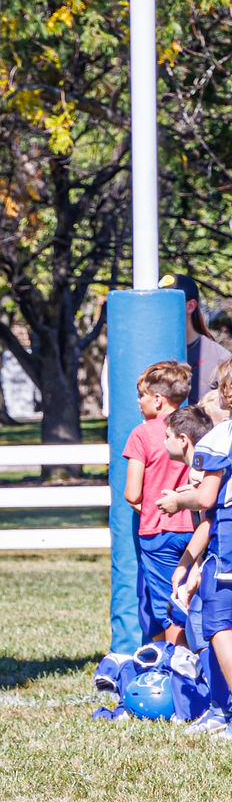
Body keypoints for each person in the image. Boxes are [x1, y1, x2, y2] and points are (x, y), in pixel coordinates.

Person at [158, 403, 232, 734]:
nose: (163, 442)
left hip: (218, 560)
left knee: (210, 630)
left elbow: (208, 519)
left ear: (184, 440)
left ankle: (221, 709)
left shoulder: (207, 466)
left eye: (167, 436)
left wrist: (190, 564)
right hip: (211, 560)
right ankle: (218, 707)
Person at [123, 361, 195, 644]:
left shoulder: (142, 434)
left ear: (157, 399)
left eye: (141, 395)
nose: (139, 402)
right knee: (194, 600)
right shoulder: (198, 425)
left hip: (158, 534)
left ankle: (177, 674)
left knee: (169, 607)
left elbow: (132, 493)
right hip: (196, 531)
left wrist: (145, 503)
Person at [161, 273, 232, 405]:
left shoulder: (221, 359)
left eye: (167, 304)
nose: (160, 310)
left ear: (190, 306)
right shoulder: (151, 351)